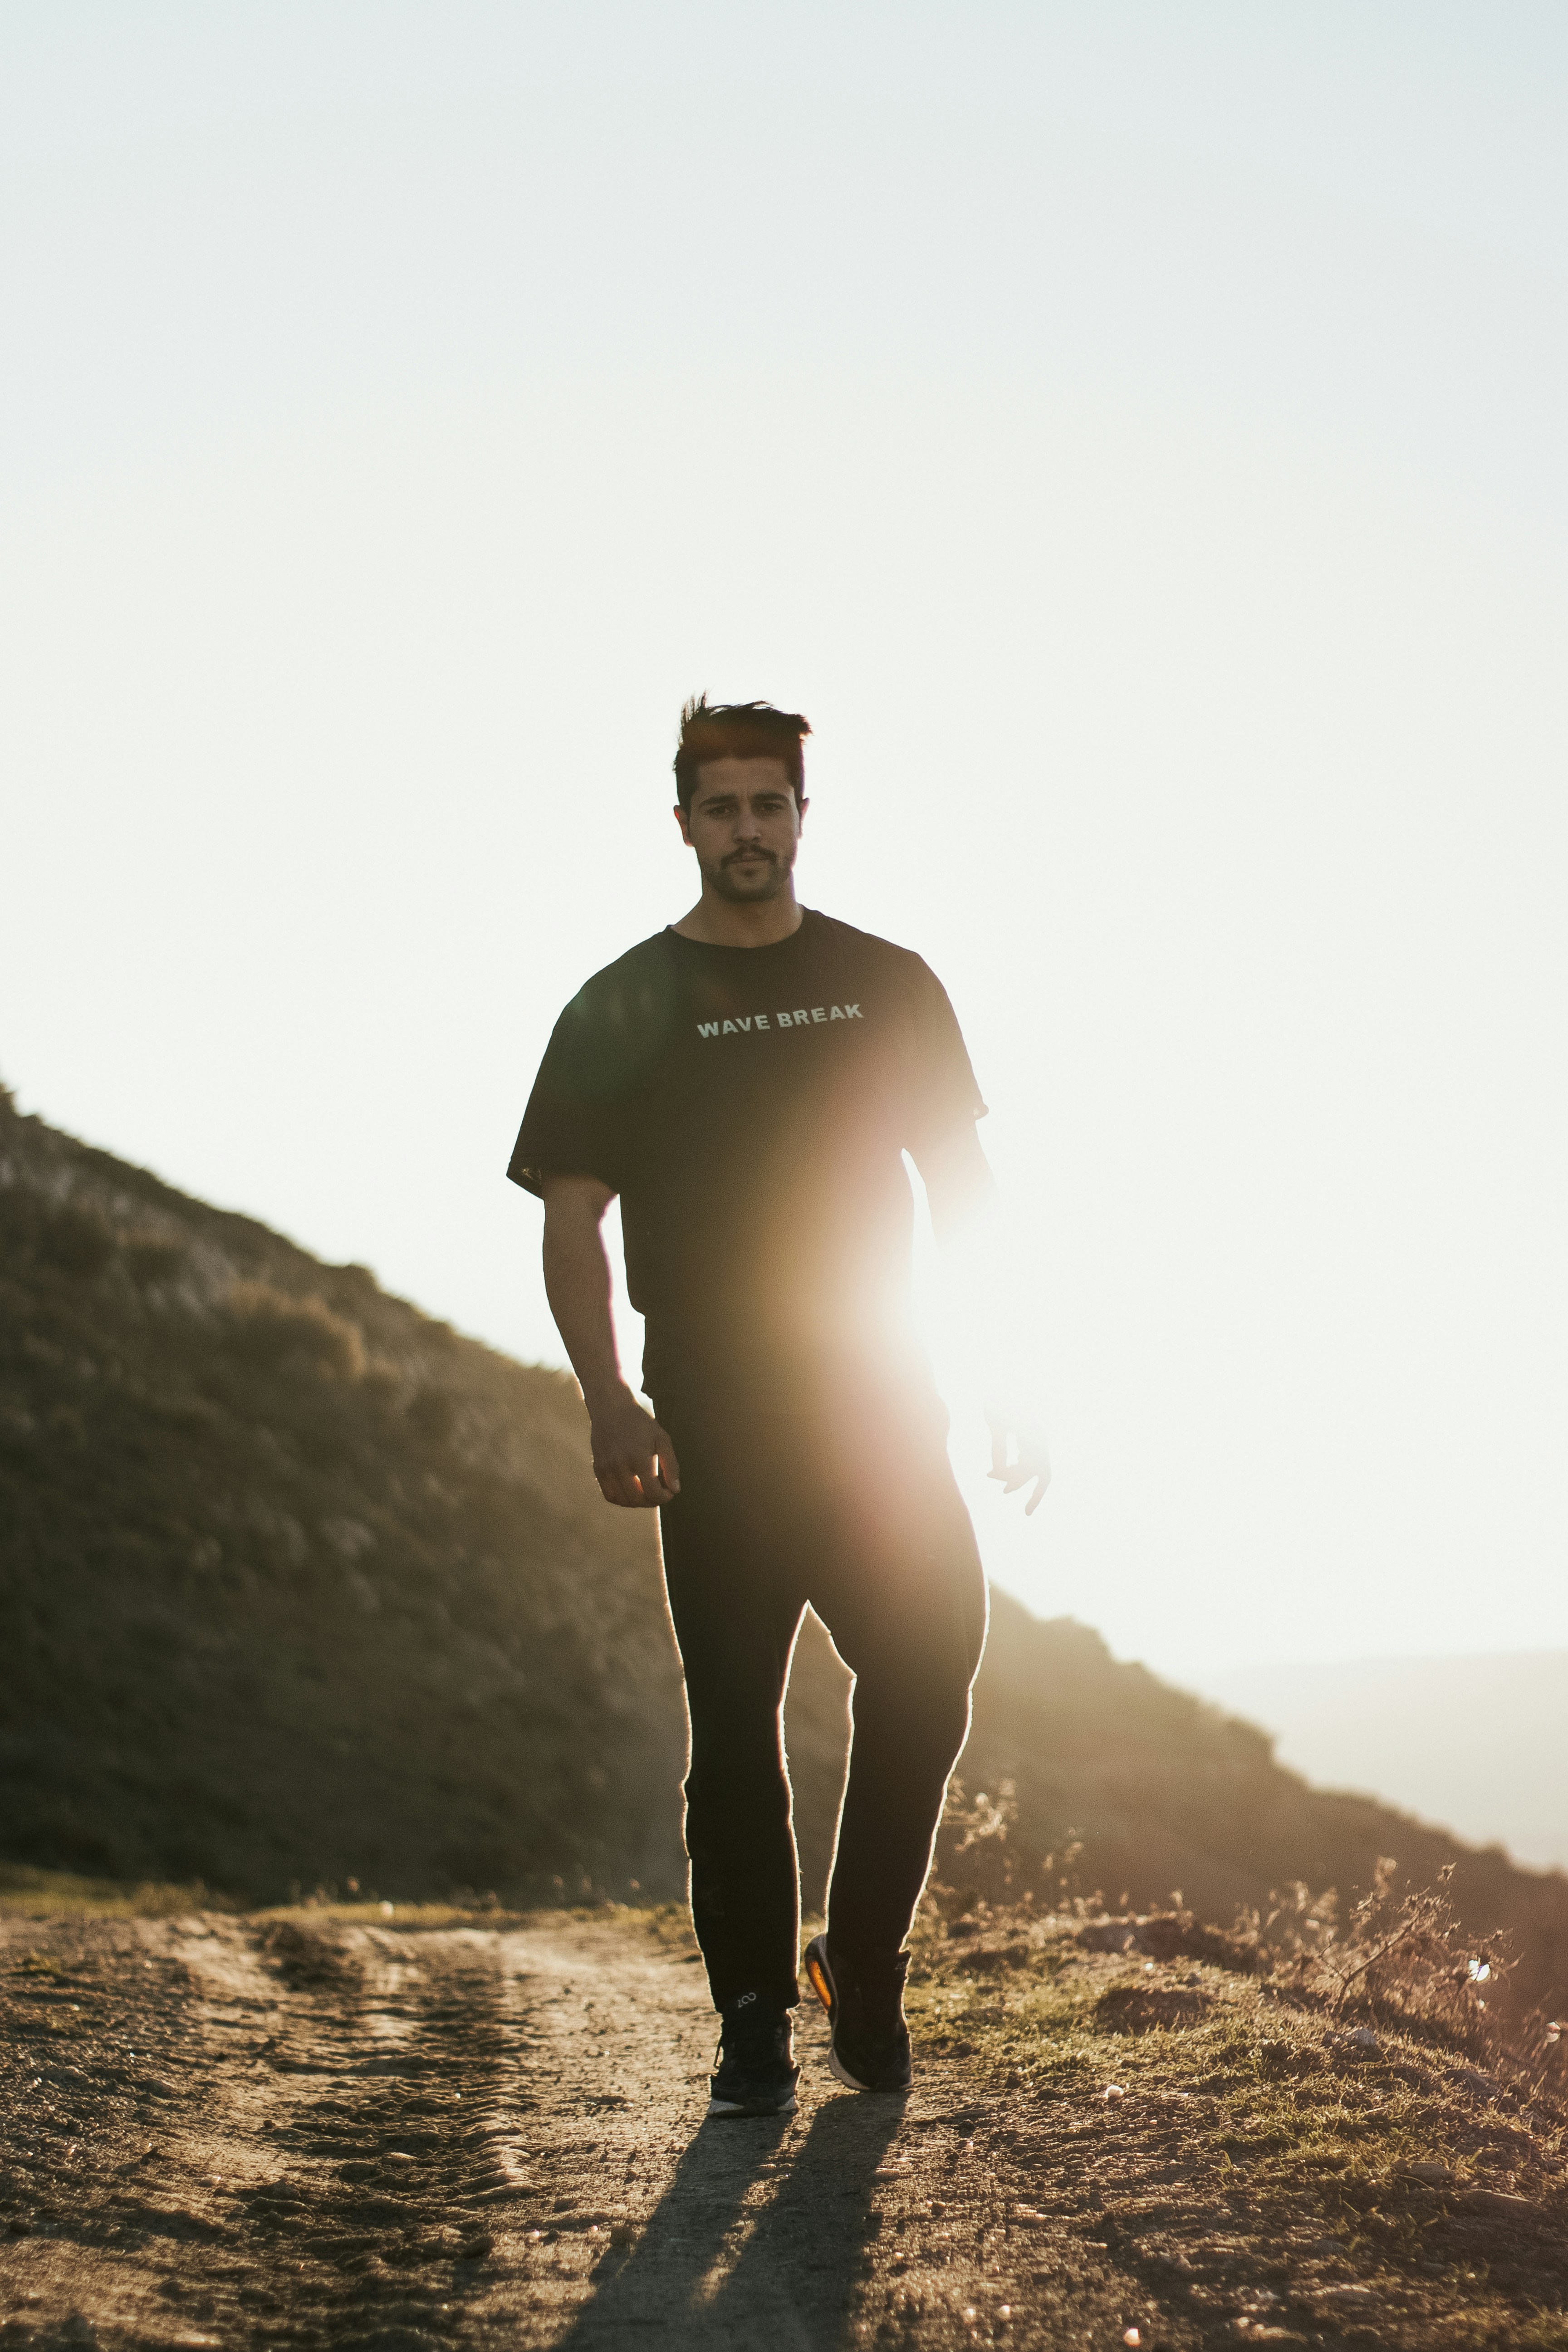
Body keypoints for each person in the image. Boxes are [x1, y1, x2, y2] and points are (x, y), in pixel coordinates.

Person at [508, 696, 1047, 2118]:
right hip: (713, 1423)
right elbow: (574, 1220)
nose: (748, 829)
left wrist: (1012, 1372)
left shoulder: (888, 982)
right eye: (722, 806)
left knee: (933, 1665)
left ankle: (857, 1955)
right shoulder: (620, 1004)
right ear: (681, 821)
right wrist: (608, 1398)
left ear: (804, 816)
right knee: (735, 1722)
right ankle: (750, 2015)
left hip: (877, 1401)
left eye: (771, 804)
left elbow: (965, 1192)